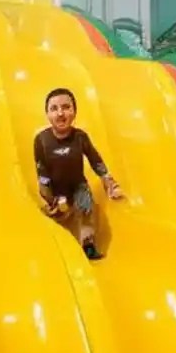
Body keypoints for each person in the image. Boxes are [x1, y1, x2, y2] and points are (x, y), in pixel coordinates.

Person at [34, 87, 124, 260]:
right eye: (54, 109)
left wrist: (108, 180)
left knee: (86, 206)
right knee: (55, 213)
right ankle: (54, 235)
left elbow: (95, 159)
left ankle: (88, 244)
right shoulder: (41, 140)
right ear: (47, 114)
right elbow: (41, 169)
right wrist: (50, 197)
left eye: (66, 107)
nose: (60, 113)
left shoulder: (80, 137)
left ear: (74, 112)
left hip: (77, 185)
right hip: (53, 187)